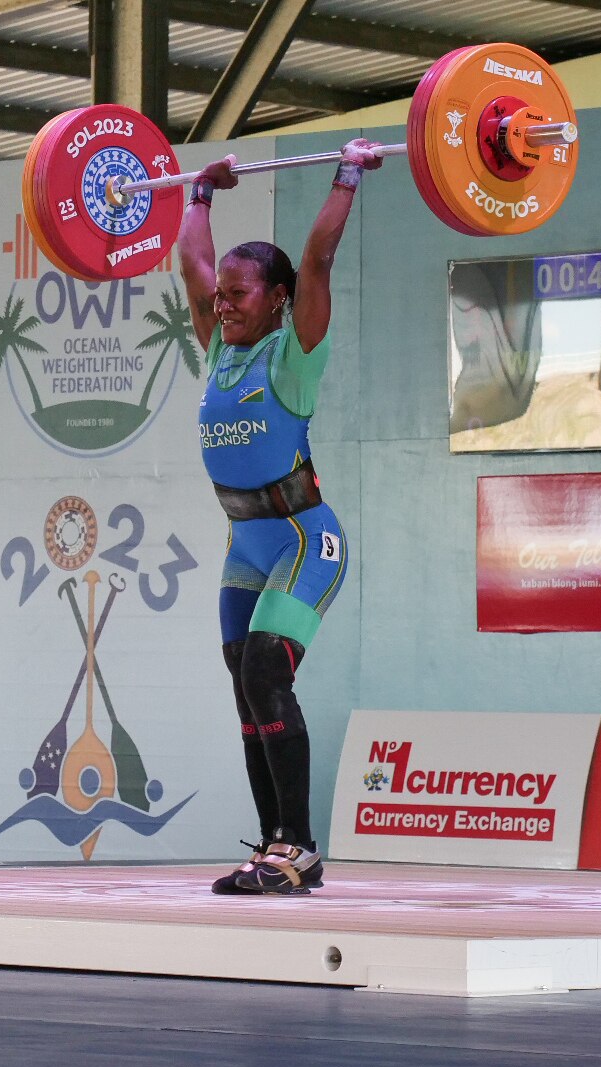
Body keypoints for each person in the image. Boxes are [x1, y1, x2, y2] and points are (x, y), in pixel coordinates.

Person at [178, 137, 383, 895]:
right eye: (223, 296)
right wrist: (200, 194)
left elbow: (319, 260)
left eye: (239, 294)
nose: (223, 304)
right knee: (245, 684)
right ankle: (274, 846)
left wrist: (348, 174)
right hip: (247, 544)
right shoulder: (219, 352)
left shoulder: (293, 349)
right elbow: (194, 266)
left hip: (305, 539)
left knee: (268, 671)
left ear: (277, 298)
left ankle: (297, 849)